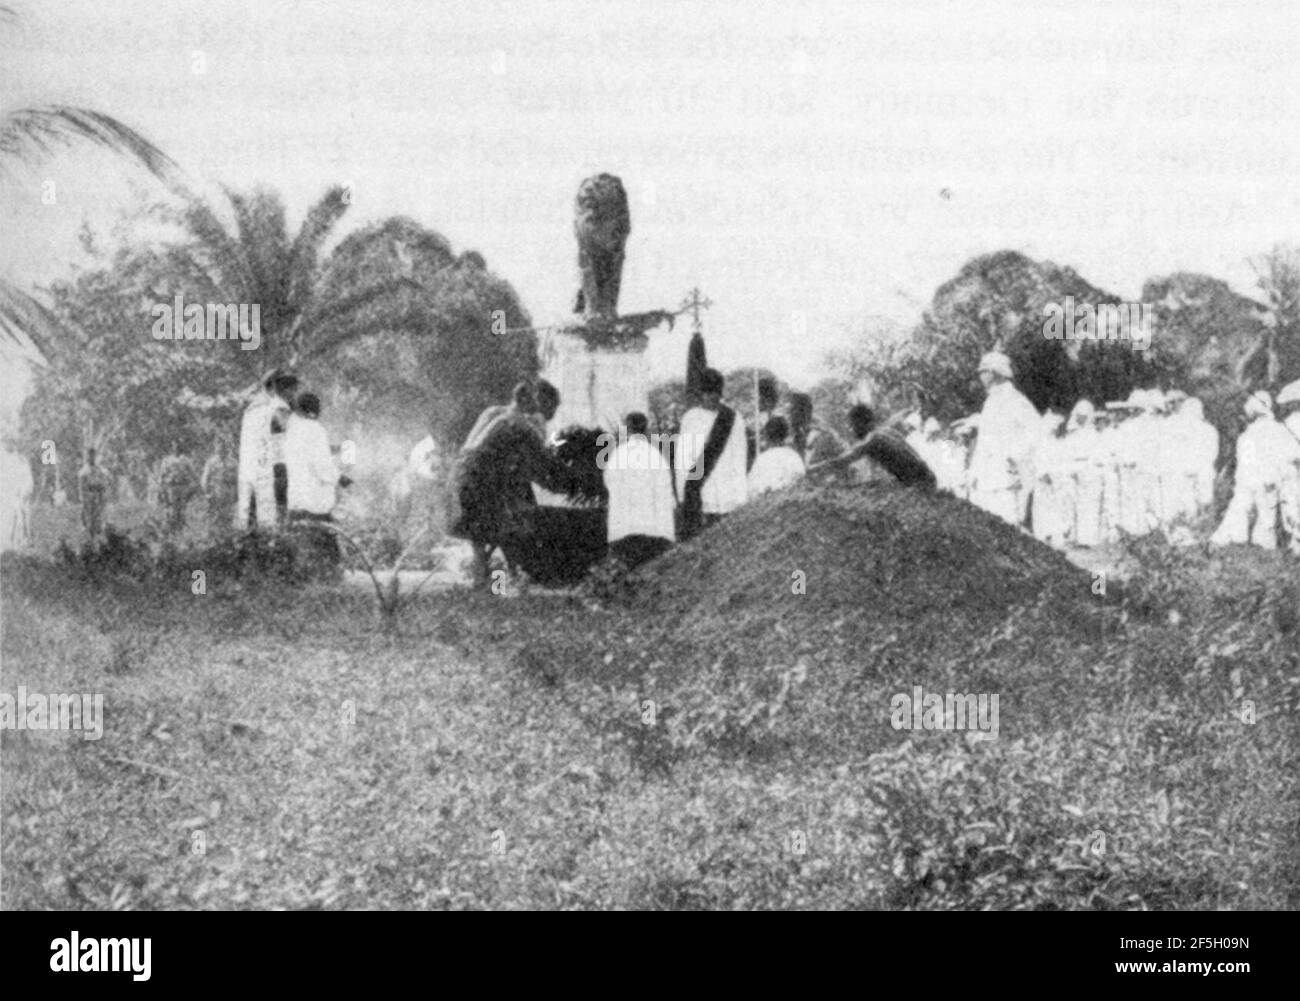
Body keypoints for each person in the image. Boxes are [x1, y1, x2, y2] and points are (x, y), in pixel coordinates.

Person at [448, 380, 575, 589]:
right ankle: (508, 583)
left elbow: (470, 447)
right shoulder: (523, 424)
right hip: (485, 479)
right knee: (506, 535)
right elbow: (541, 463)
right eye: (550, 405)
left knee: (482, 538)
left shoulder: (494, 413)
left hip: (465, 476)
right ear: (536, 401)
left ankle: (485, 583)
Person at [1211, 390, 1300, 551]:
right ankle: (1265, 548)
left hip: (1249, 479)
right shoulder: (1280, 430)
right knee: (1268, 517)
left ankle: (1226, 540)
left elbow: (1243, 461)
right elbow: (1293, 455)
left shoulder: (1247, 434)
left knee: (1241, 508)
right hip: (1271, 479)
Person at [966, 351, 1040, 525]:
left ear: (993, 372)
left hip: (1005, 479)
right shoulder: (990, 401)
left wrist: (1016, 456)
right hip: (984, 479)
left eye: (983, 371)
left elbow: (1035, 431)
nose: (980, 376)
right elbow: (984, 442)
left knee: (1006, 529)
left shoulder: (1015, 400)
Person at [674, 368, 749, 539]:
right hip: (702, 494)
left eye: (716, 393)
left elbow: (739, 457)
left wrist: (740, 495)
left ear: (720, 393)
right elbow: (683, 461)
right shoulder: (691, 418)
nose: (712, 398)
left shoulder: (734, 418)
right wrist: (683, 495)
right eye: (708, 393)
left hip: (729, 495)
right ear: (701, 393)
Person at [285, 392, 351, 575]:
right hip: (314, 501)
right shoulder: (315, 429)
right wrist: (340, 478)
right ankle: (330, 575)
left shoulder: (293, 430)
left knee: (296, 544)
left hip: (296, 498)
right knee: (325, 544)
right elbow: (321, 465)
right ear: (314, 409)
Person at [602, 411, 676, 568]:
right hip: (654, 531)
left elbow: (609, 484)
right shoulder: (657, 457)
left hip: (623, 530)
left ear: (627, 429)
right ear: (646, 429)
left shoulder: (617, 457)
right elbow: (666, 494)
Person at [808, 404, 936, 488]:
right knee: (868, 485)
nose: (850, 429)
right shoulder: (888, 431)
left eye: (851, 425)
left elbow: (840, 461)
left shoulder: (872, 440)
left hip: (918, 484)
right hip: (929, 478)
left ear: (860, 422)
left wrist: (810, 470)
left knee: (855, 490)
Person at [237, 369, 297, 530]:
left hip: (251, 475)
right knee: (278, 525)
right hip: (275, 473)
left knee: (252, 525)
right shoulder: (278, 407)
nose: (293, 393)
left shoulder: (251, 410)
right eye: (288, 388)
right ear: (276, 388)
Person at [747, 416, 807, 496]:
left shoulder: (763, 459)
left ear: (766, 435)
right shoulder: (795, 457)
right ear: (786, 434)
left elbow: (752, 490)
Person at [158, 446, 199, 535]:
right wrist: (161, 488)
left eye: (178, 446)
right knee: (171, 509)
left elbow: (193, 474)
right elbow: (162, 475)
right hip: (171, 487)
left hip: (182, 487)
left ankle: (180, 530)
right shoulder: (167, 460)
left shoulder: (185, 460)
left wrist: (194, 487)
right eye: (174, 446)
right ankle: (169, 530)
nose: (176, 448)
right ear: (172, 448)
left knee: (181, 509)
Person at [201, 437, 240, 528]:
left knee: (228, 516)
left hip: (229, 492)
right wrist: (207, 493)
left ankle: (227, 535)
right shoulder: (211, 462)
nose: (222, 449)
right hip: (215, 492)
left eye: (224, 447)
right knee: (215, 517)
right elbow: (205, 479)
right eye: (219, 447)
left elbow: (239, 479)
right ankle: (215, 535)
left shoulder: (233, 462)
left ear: (227, 449)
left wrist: (237, 494)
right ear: (216, 448)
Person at [1, 449, 34, 552]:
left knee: (19, 519)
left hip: (18, 497)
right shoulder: (4, 460)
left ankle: (19, 543)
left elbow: (28, 481)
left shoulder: (22, 461)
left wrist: (23, 493)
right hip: (6, 497)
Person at [76, 447, 111, 540]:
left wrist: (103, 496)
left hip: (99, 499)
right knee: (88, 522)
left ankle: (99, 535)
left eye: (94, 456)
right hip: (89, 499)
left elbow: (105, 485)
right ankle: (88, 536)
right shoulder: (84, 472)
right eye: (90, 456)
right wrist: (85, 498)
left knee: (99, 521)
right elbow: (82, 488)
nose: (92, 458)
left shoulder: (102, 471)